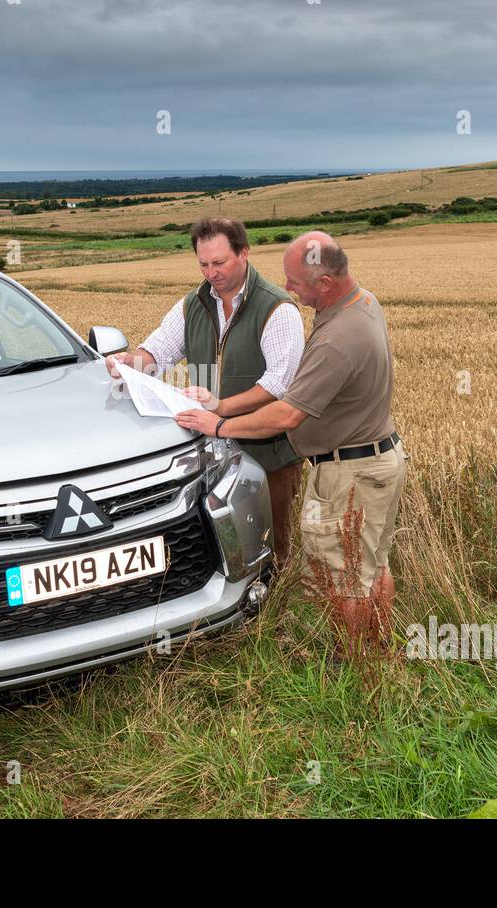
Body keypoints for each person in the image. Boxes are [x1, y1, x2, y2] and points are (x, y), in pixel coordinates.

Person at [174, 231, 404, 631]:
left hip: (350, 474)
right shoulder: (364, 302)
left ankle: (353, 662)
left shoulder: (337, 339)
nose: (287, 289)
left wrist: (220, 422)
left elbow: (285, 415)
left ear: (325, 284)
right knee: (371, 567)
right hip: (376, 462)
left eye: (294, 282)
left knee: (345, 578)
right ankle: (376, 650)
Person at [105, 217, 306, 567]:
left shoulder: (277, 307)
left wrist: (221, 407)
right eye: (203, 264)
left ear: (244, 253)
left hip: (268, 456)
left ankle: (274, 616)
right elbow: (158, 351)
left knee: (272, 549)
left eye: (219, 262)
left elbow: (280, 385)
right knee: (218, 550)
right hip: (210, 456)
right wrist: (129, 362)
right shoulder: (192, 305)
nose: (211, 273)